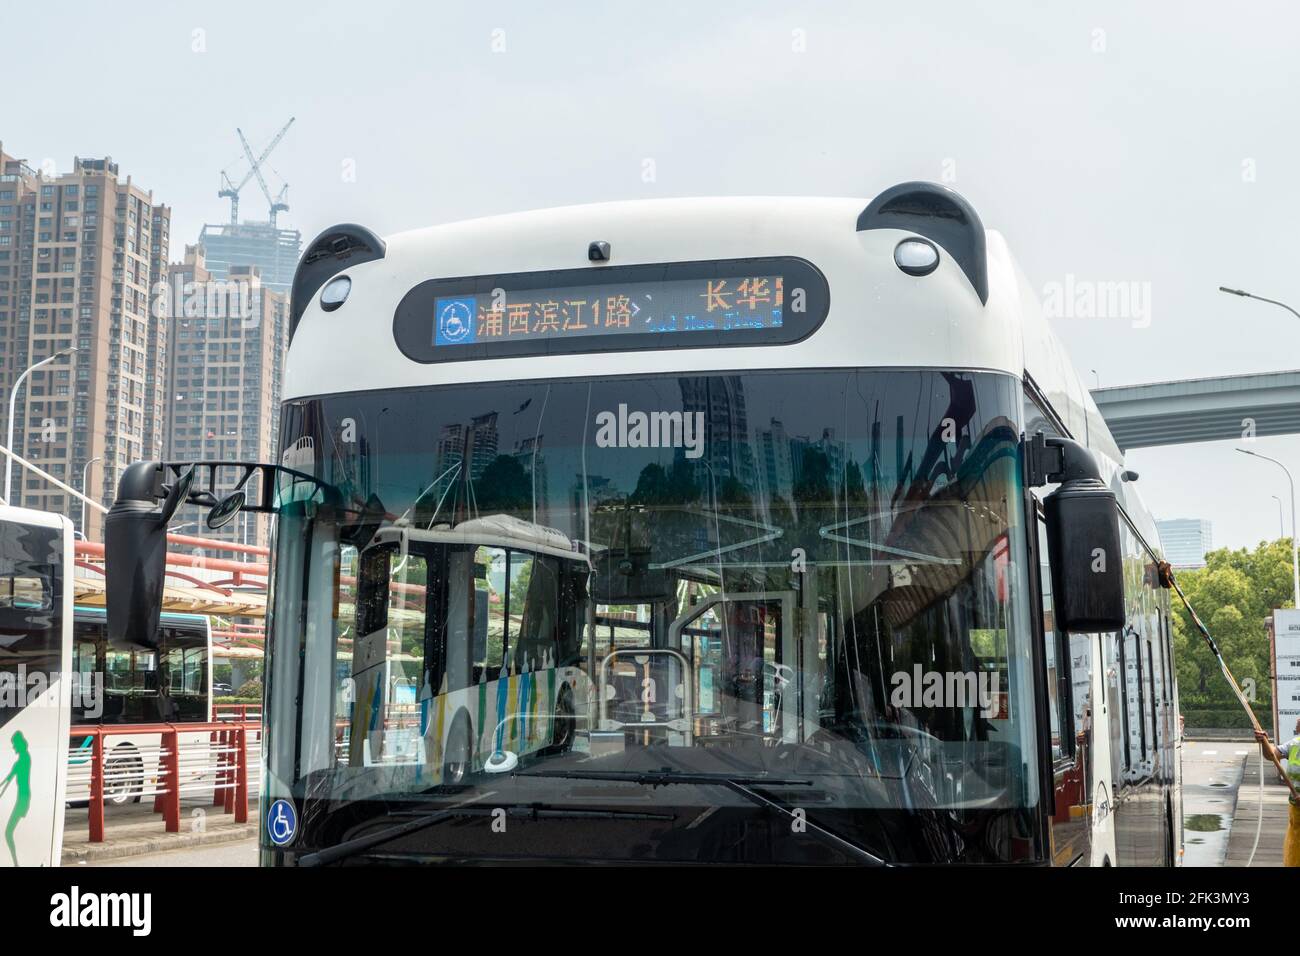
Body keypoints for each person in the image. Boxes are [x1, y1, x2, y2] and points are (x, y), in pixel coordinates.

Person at [0, 730, 32, 866]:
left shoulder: (24, 759)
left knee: (8, 832)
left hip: (23, 799)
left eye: (14, 744)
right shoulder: (22, 759)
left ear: (19, 744)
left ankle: (16, 864)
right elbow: (7, 780)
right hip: (22, 797)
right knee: (9, 833)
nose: (13, 747)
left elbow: (8, 779)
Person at [1255, 717, 1300, 803]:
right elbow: (1271, 755)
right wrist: (1264, 742)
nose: (1298, 719)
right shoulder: (1295, 744)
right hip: (1296, 805)